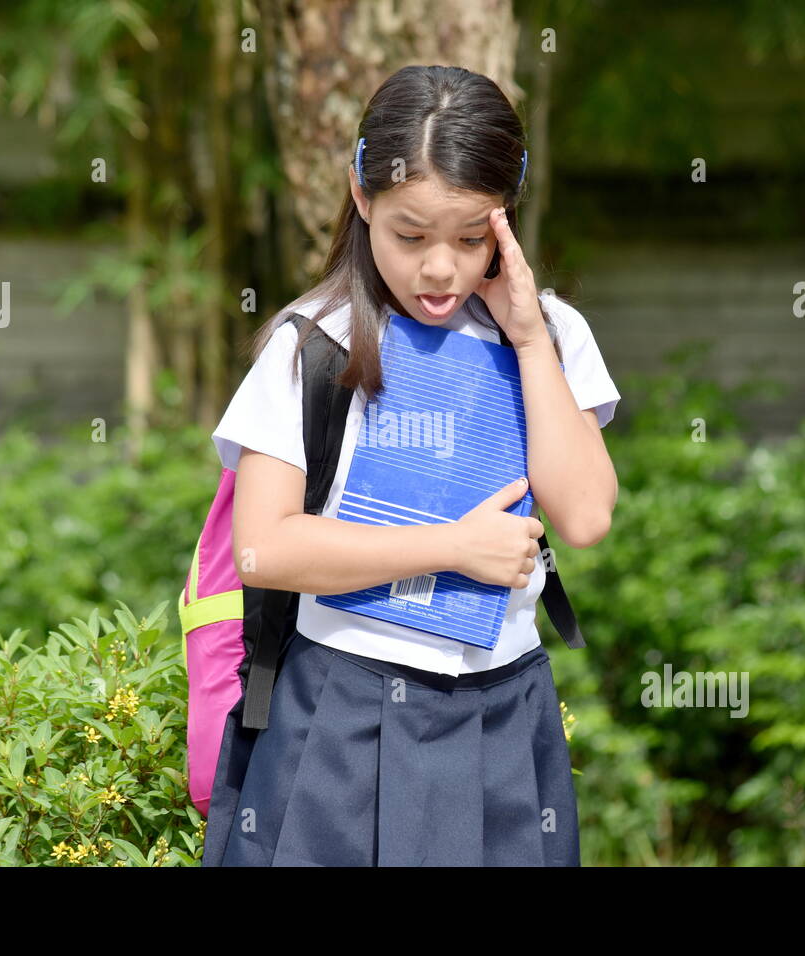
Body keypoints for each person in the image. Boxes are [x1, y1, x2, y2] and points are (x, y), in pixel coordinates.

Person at [201, 64, 621, 866]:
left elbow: (587, 516)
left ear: (506, 216)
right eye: (410, 235)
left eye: (470, 239)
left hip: (507, 706)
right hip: (342, 715)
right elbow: (264, 549)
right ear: (361, 196)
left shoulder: (548, 334)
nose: (440, 270)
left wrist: (530, 340)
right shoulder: (315, 341)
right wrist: (451, 548)